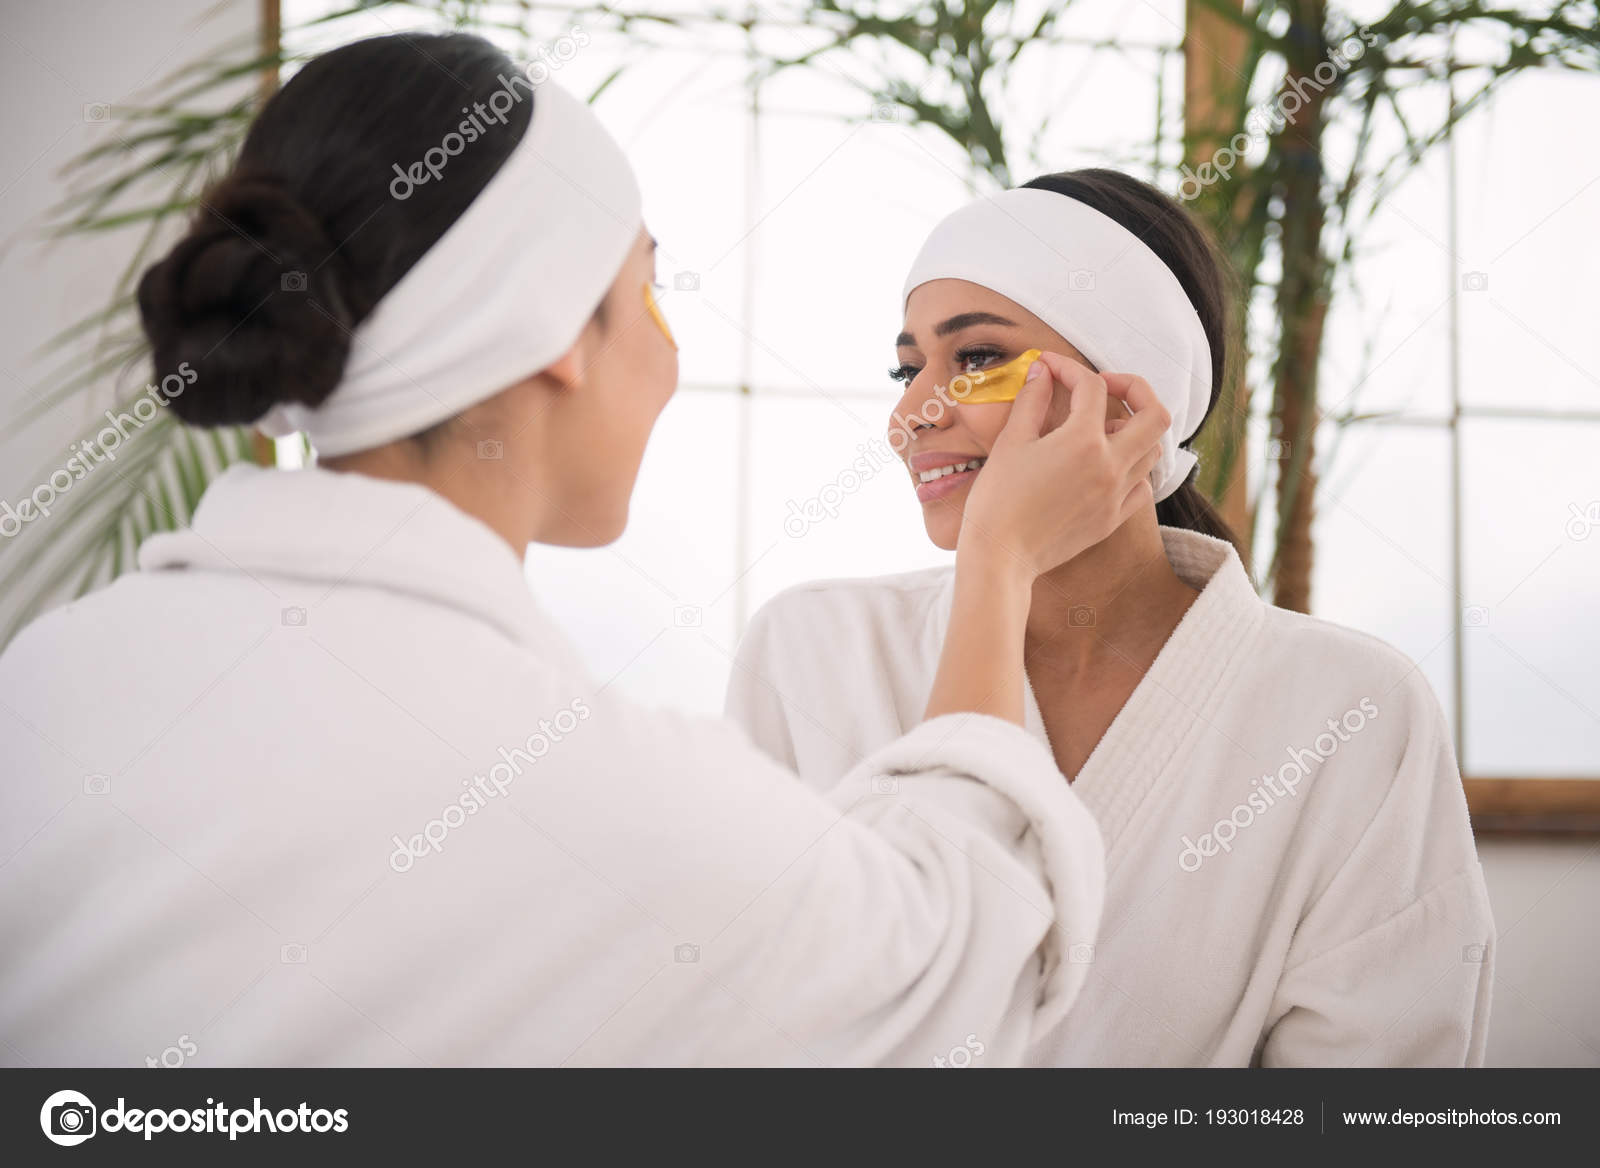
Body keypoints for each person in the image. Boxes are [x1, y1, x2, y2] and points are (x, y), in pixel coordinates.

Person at [0, 35, 1176, 1067]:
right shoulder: (591, 787)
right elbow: (949, 979)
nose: (667, 357)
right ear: (559, 329)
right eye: (648, 292)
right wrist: (997, 565)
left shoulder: (51, 677)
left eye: (972, 360)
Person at [726, 170, 1496, 1066]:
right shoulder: (809, 654)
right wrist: (996, 562)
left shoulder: (1355, 709)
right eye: (908, 370)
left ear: (1131, 399)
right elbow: (751, 1030)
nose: (909, 417)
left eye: (975, 359)